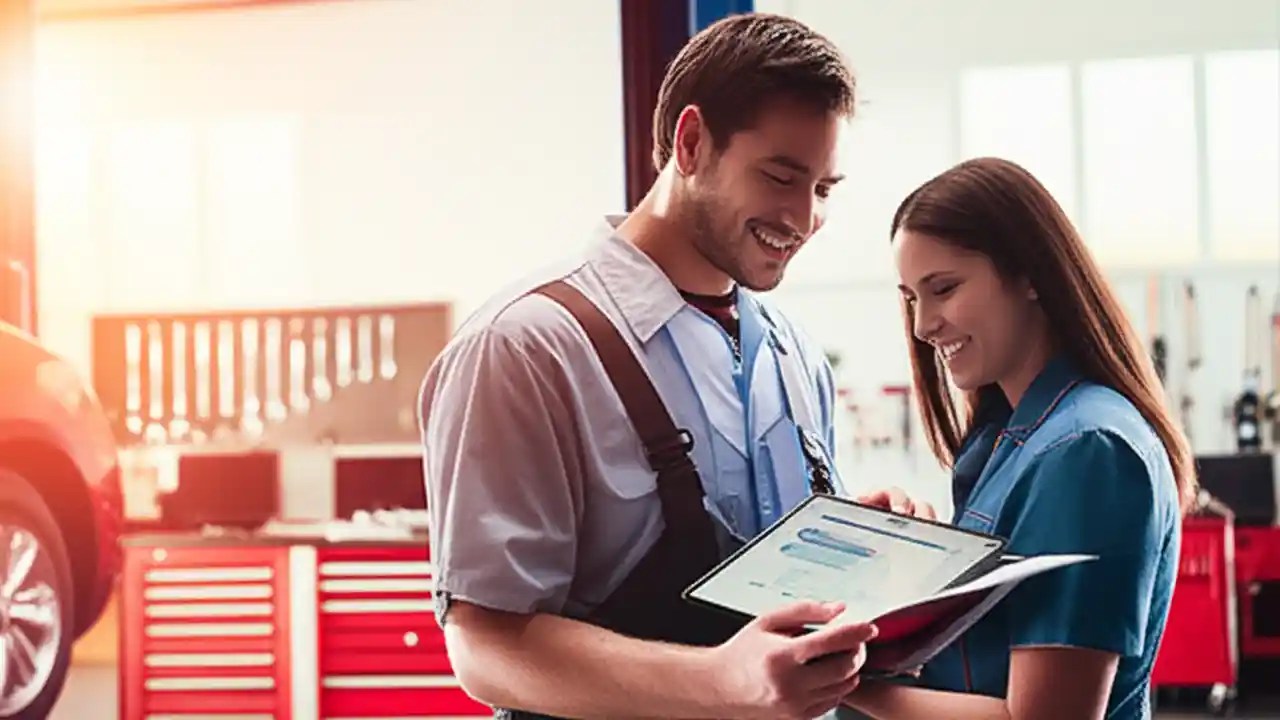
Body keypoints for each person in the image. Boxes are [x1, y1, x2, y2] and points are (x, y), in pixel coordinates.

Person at [419, 12, 875, 720]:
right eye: (781, 177)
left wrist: (859, 545)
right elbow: (485, 645)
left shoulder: (794, 354)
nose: (802, 217)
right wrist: (722, 682)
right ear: (691, 143)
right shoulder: (526, 348)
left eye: (823, 189)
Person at [843, 157, 1193, 720]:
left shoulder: (1086, 449)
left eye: (944, 288)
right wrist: (912, 558)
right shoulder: (1013, 437)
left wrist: (835, 677)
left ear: (1030, 274)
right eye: (911, 298)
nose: (923, 325)